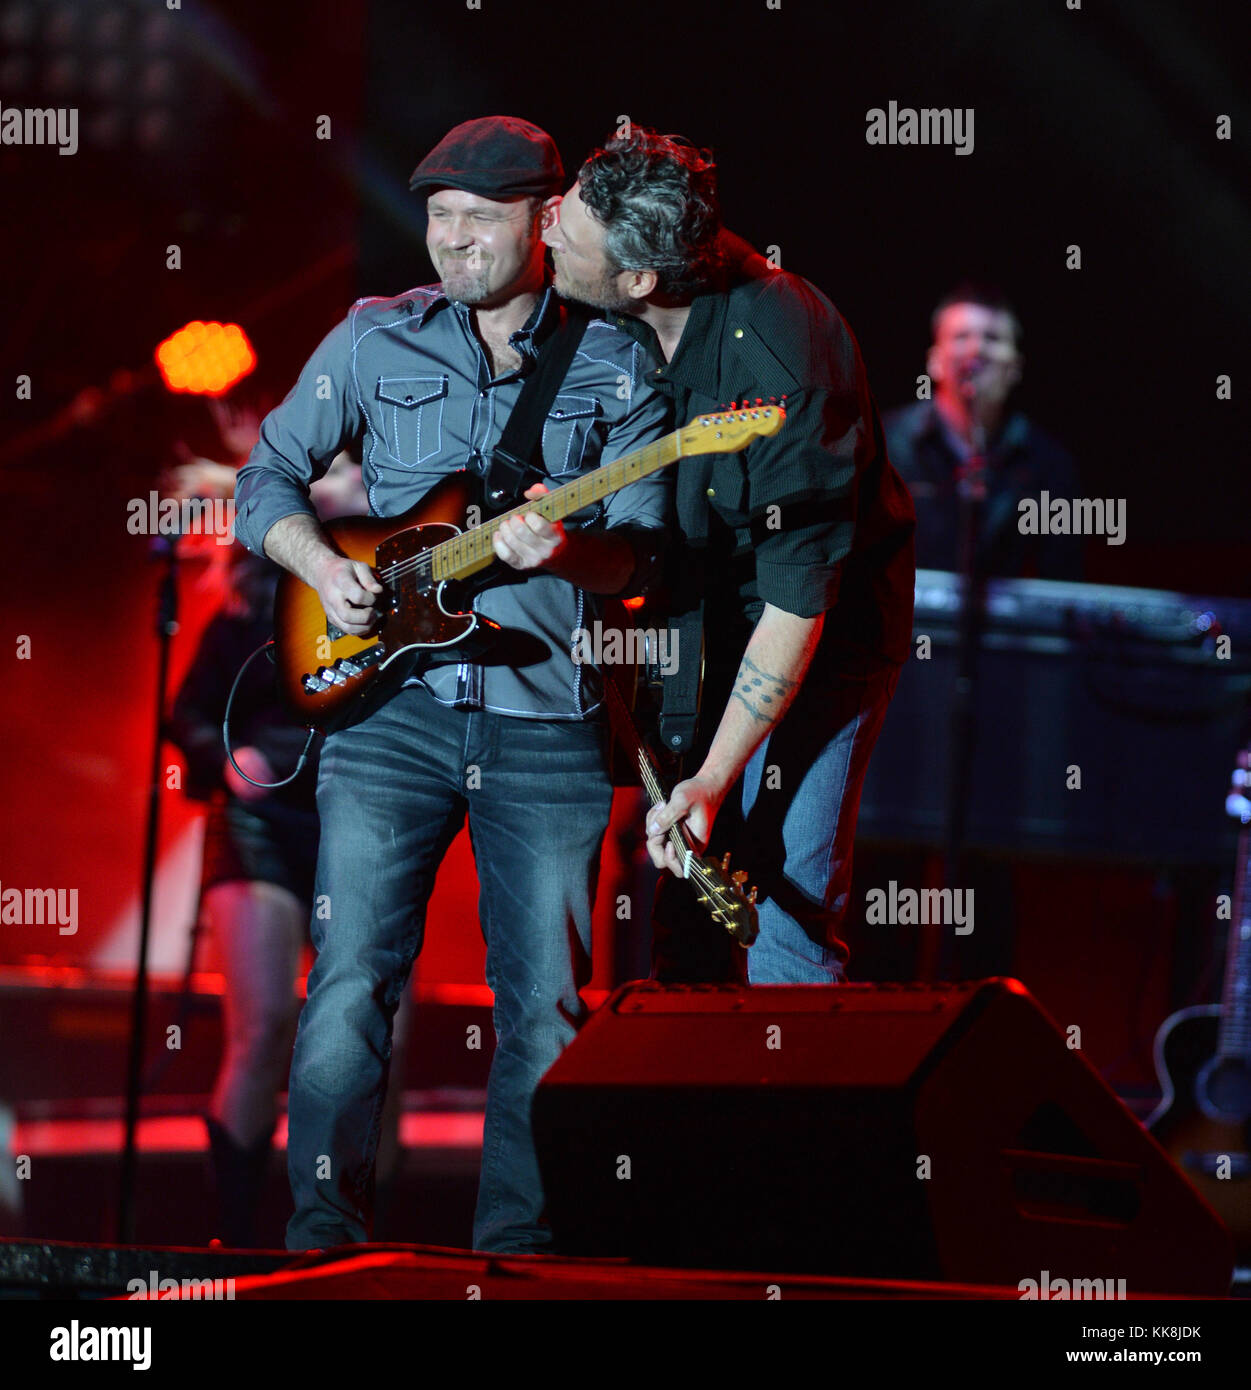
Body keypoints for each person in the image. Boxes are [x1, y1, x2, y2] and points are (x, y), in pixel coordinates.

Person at [232, 116, 670, 1253]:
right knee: (347, 989)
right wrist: (320, 563)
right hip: (389, 715)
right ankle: (322, 1241)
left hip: (547, 724)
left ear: (546, 217)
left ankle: (518, 1257)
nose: (451, 240)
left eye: (479, 218)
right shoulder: (373, 339)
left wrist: (572, 555)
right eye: (436, 217)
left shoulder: (620, 361)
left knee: (548, 1011)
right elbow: (266, 477)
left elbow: (651, 557)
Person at [543, 127, 915, 984]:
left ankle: (793, 1110)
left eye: (566, 228)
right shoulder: (626, 297)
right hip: (695, 602)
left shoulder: (786, 363)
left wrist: (713, 775)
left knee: (781, 896)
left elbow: (795, 607)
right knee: (682, 893)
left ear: (639, 278)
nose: (547, 231)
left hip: (814, 633)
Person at [882, 284, 1082, 579]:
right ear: (934, 361)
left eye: (992, 338)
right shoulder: (884, 445)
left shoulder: (1050, 465)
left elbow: (1061, 582)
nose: (977, 349)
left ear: (1015, 366)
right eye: (962, 336)